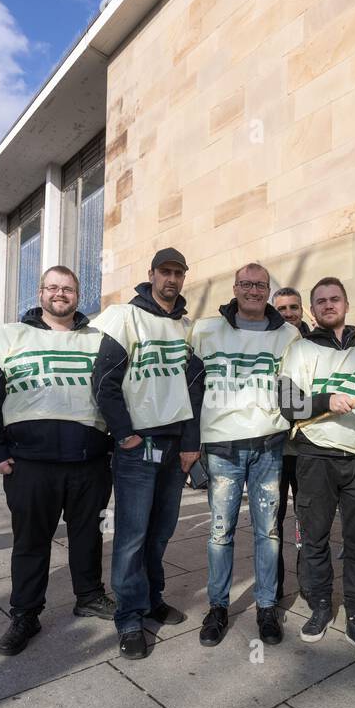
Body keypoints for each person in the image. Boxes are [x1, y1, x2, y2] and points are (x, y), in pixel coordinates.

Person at [0, 265, 117, 656]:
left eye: (67, 288)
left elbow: (117, 394)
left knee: (88, 535)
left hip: (89, 460)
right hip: (29, 463)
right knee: (31, 541)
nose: (60, 294)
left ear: (77, 294)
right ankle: (25, 614)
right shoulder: (10, 337)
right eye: (52, 287)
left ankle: (89, 595)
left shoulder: (100, 340)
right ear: (40, 294)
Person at [92, 248, 205, 660]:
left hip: (176, 447)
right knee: (132, 535)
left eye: (178, 272)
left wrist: (191, 443)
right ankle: (129, 616)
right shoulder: (126, 317)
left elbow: (195, 392)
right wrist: (124, 435)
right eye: (165, 272)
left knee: (160, 531)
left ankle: (152, 599)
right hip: (139, 447)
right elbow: (104, 381)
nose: (171, 279)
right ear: (152, 274)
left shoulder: (187, 327)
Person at [189, 264, 301, 646]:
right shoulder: (205, 330)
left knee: (268, 530)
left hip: (269, 445)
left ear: (269, 291)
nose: (253, 290)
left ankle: (266, 606)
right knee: (221, 532)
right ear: (235, 287)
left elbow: (295, 390)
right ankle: (217, 606)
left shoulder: (289, 334)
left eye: (260, 285)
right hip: (222, 448)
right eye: (246, 284)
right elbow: (191, 387)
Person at [277, 277, 355, 663]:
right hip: (315, 456)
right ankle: (320, 605)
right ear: (312, 308)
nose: (327, 305)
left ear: (346, 304)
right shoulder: (299, 350)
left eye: (334, 298)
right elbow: (288, 404)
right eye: (319, 301)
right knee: (315, 537)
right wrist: (325, 399)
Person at [270, 285, 308, 603]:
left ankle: (308, 583)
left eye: (293, 307)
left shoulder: (315, 343)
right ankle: (275, 584)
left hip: (309, 447)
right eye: (281, 309)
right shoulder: (267, 342)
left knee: (308, 518)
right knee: (274, 520)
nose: (288, 314)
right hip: (275, 449)